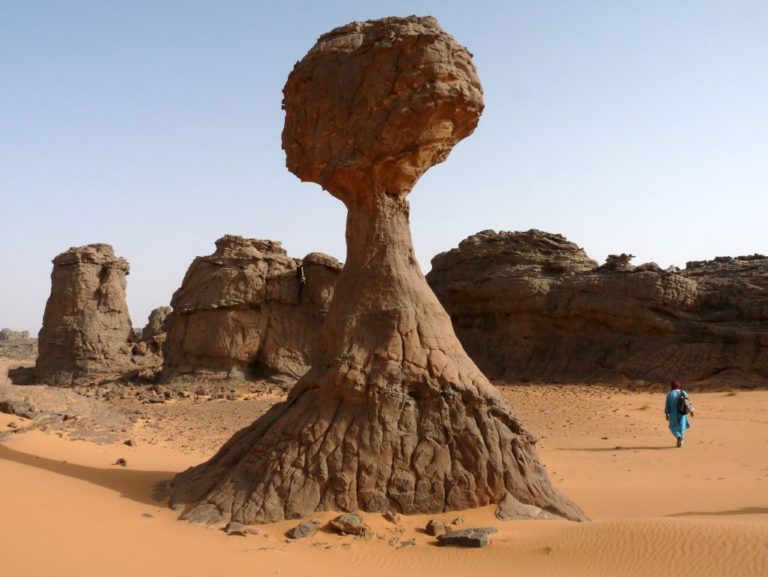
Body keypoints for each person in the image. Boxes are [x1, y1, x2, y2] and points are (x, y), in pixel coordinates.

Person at [665, 380, 693, 447]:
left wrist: (666, 413)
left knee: (673, 426)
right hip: (683, 412)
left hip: (673, 413)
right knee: (682, 426)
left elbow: (667, 405)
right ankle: (681, 439)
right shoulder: (684, 392)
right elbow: (688, 403)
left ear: (671, 386)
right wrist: (691, 411)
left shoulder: (670, 394)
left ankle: (678, 437)